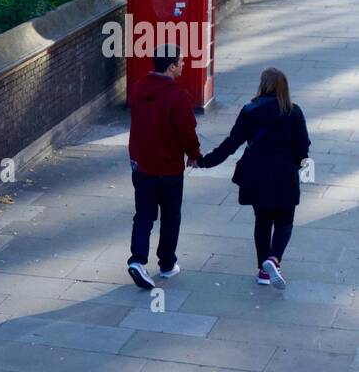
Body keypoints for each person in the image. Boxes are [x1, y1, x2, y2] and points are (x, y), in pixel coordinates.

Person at [196, 68, 310, 289]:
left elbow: (231, 144)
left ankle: (263, 271)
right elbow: (303, 147)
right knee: (285, 222)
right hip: (285, 177)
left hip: (257, 176)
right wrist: (296, 162)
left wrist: (204, 161)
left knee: (263, 221)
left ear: (262, 86)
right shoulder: (294, 112)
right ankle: (274, 259)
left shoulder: (249, 111)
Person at [127, 45, 201, 289]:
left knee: (144, 215)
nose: (183, 64)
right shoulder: (177, 97)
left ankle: (137, 261)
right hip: (168, 169)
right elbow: (187, 132)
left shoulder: (138, 88)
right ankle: (167, 265)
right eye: (180, 61)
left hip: (141, 166)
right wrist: (194, 154)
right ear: (170, 66)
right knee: (170, 217)